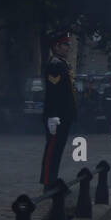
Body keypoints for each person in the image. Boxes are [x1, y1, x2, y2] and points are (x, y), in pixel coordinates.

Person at [40, 32, 77, 186]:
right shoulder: (55, 65)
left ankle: (53, 179)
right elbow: (53, 92)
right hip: (57, 116)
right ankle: (48, 181)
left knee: (58, 150)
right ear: (56, 47)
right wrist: (52, 115)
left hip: (64, 115)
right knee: (52, 150)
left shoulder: (63, 64)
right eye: (65, 45)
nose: (68, 48)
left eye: (68, 44)